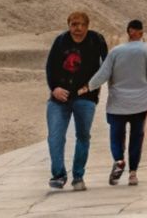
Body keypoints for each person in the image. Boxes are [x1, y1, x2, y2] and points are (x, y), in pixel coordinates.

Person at [88, 18, 147, 187]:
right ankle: (133, 173)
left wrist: (87, 87)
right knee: (137, 136)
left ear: (128, 32)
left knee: (116, 135)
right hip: (141, 101)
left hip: (118, 102)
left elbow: (103, 74)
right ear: (141, 33)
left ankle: (119, 160)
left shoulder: (116, 51)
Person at [45, 10, 107, 191]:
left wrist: (91, 87)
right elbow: (50, 67)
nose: (77, 28)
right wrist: (54, 88)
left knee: (83, 136)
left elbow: (106, 66)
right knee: (55, 137)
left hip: (85, 97)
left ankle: (78, 176)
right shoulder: (61, 41)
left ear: (87, 26)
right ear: (68, 25)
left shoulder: (97, 40)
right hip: (59, 97)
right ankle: (58, 175)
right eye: (74, 24)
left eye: (81, 25)